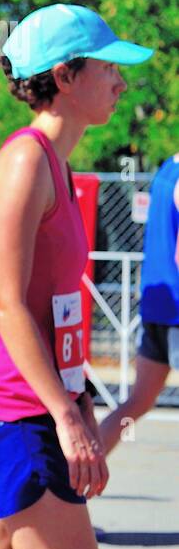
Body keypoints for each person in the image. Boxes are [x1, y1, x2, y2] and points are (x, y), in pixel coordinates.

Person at [0, 4, 152, 549]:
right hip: (16, 424)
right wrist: (65, 417)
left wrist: (79, 399)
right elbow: (6, 305)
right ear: (64, 76)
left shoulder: (51, 163)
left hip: (14, 419)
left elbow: (49, 309)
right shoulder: (23, 162)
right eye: (109, 67)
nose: (120, 81)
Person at [98, 151, 179, 452]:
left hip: (157, 305)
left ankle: (80, 466)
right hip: (175, 308)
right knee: (138, 402)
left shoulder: (167, 167)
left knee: (136, 402)